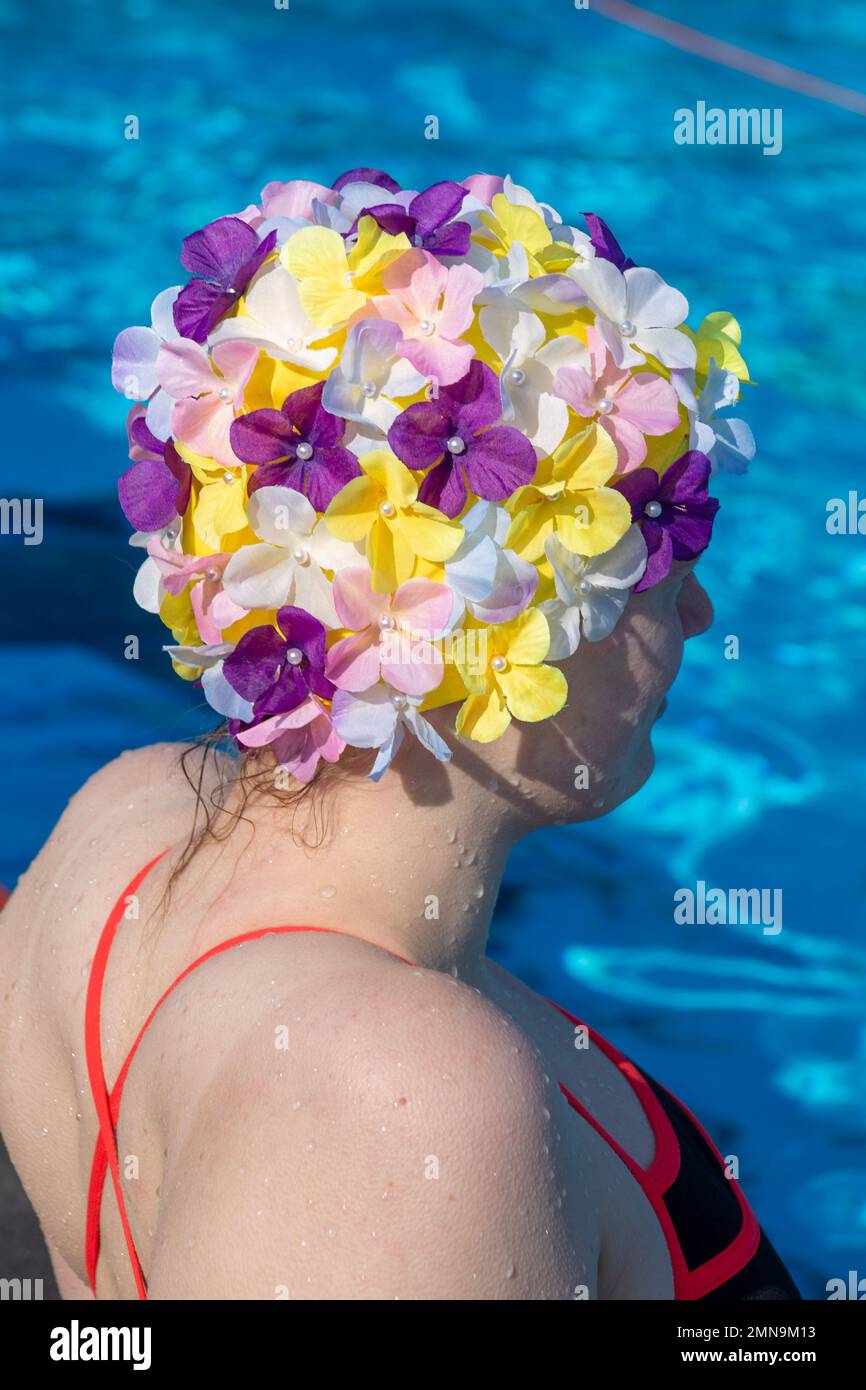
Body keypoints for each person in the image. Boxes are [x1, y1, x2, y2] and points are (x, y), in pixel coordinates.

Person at [0, 169, 798, 1300]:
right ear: (488, 611)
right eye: (653, 559)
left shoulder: (121, 818)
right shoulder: (404, 1105)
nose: (697, 611)